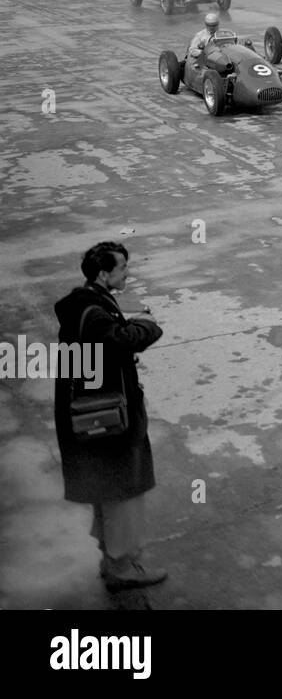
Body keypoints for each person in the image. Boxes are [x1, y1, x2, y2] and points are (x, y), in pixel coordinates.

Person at [54, 241, 167, 592]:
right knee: (124, 492)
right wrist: (147, 325)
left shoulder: (82, 304)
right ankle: (121, 566)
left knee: (108, 489)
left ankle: (111, 558)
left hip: (89, 417)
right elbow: (121, 340)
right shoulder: (97, 314)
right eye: (121, 269)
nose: (127, 273)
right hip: (108, 420)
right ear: (103, 273)